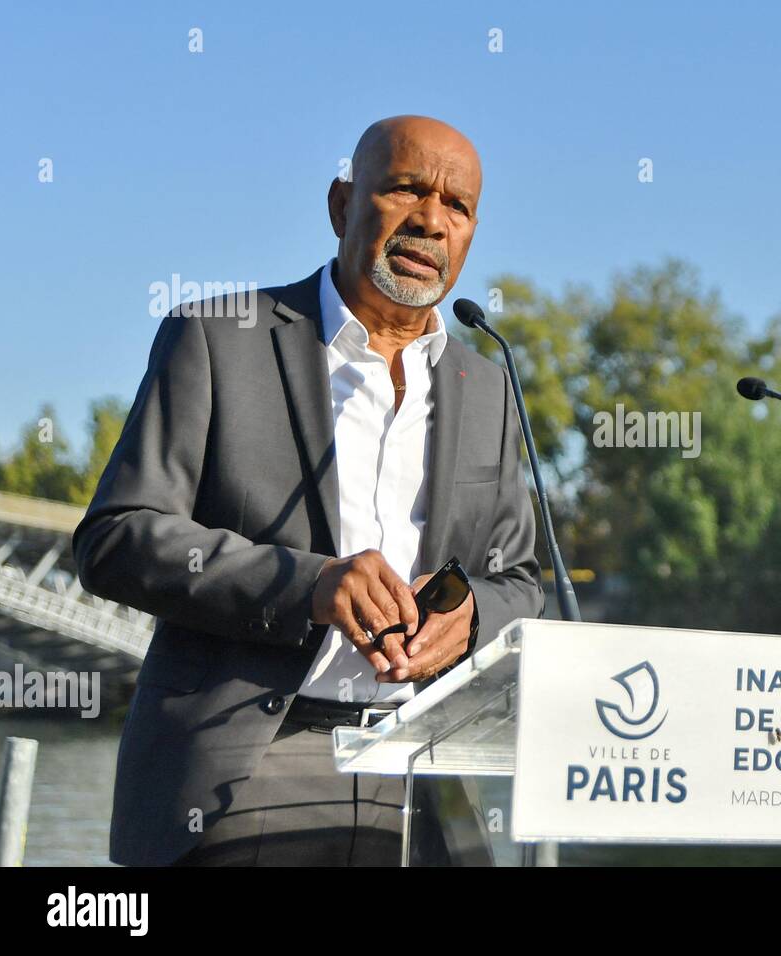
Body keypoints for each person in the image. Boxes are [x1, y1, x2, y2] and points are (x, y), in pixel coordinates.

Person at [73, 115, 542, 866]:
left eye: (456, 206)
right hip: (248, 765)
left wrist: (475, 616)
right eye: (405, 190)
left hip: (426, 770)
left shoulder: (487, 387)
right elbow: (117, 537)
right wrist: (311, 584)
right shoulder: (218, 335)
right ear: (340, 205)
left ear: (472, 232)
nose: (430, 220)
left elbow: (521, 579)